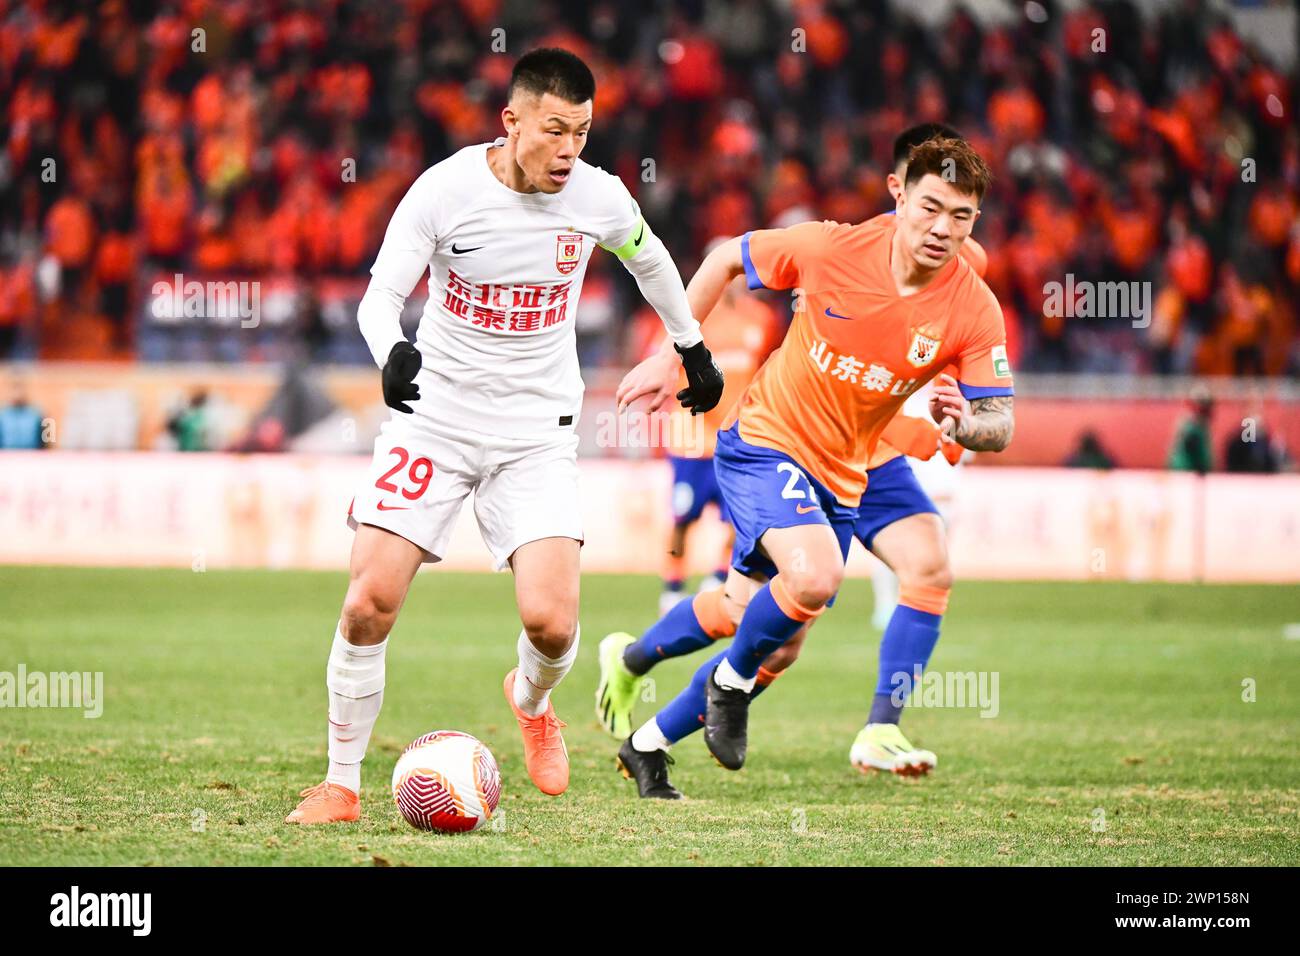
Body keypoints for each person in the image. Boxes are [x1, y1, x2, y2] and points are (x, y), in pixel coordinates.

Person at [285, 48, 723, 824]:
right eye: (555, 131)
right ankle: (341, 784)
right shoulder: (444, 191)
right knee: (368, 603)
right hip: (436, 420)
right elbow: (379, 298)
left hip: (536, 432)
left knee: (552, 625)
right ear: (511, 120)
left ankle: (529, 701)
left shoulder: (598, 196)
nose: (569, 151)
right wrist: (391, 355)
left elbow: (648, 260)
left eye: (582, 134)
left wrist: (688, 346)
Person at [610, 136, 1015, 797]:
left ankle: (647, 737)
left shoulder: (972, 301)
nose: (943, 229)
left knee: (773, 625)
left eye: (962, 217)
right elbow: (724, 259)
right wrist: (676, 354)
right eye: (931, 208)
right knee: (816, 576)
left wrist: (966, 422)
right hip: (765, 444)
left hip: (853, 470)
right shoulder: (830, 249)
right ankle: (729, 685)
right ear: (897, 192)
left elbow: (1000, 419)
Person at [653, 257, 783, 618]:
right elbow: (661, 364)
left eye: (738, 274)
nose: (732, 281)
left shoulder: (762, 319)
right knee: (682, 518)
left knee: (734, 521)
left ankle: (716, 580)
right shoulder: (686, 320)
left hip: (735, 437)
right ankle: (673, 586)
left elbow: (768, 368)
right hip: (690, 439)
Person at [1168, 389, 1214, 474]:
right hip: (1187, 474)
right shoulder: (1193, 428)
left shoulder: (1193, 425)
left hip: (1184, 473)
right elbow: (1200, 460)